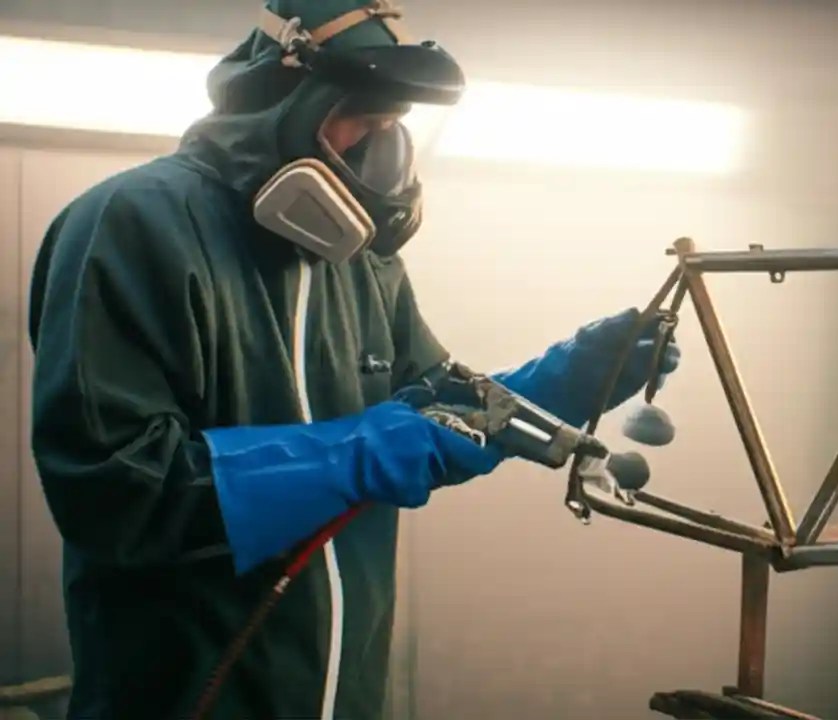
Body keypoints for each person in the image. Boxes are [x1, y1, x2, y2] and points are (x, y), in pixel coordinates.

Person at [25, 2, 680, 718]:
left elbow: (426, 413)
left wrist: (557, 383)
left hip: (344, 696)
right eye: (365, 122)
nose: (383, 156)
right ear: (283, 101)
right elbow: (117, 495)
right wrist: (350, 456)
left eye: (395, 126)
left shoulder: (360, 260)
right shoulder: (134, 223)